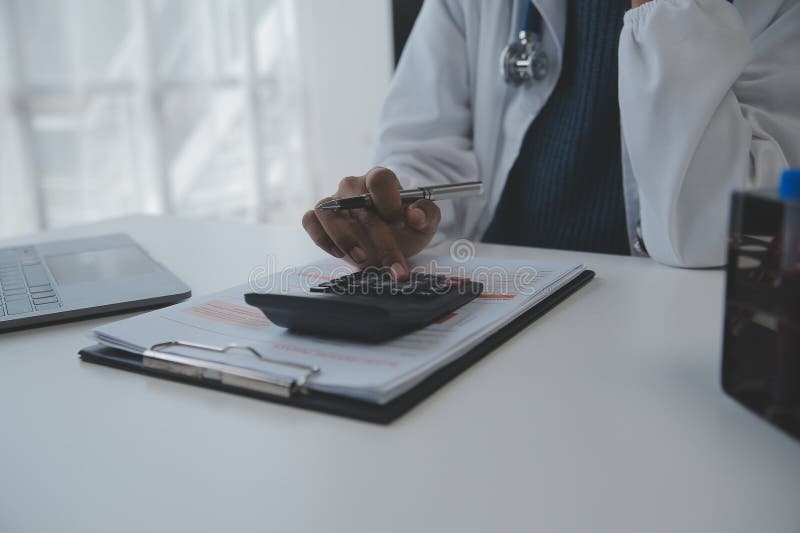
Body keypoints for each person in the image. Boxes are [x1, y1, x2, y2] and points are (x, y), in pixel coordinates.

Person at [302, 0, 800, 279]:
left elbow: (726, 235)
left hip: (665, 340)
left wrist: (674, 10)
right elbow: (423, 148)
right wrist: (406, 215)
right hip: (501, 313)